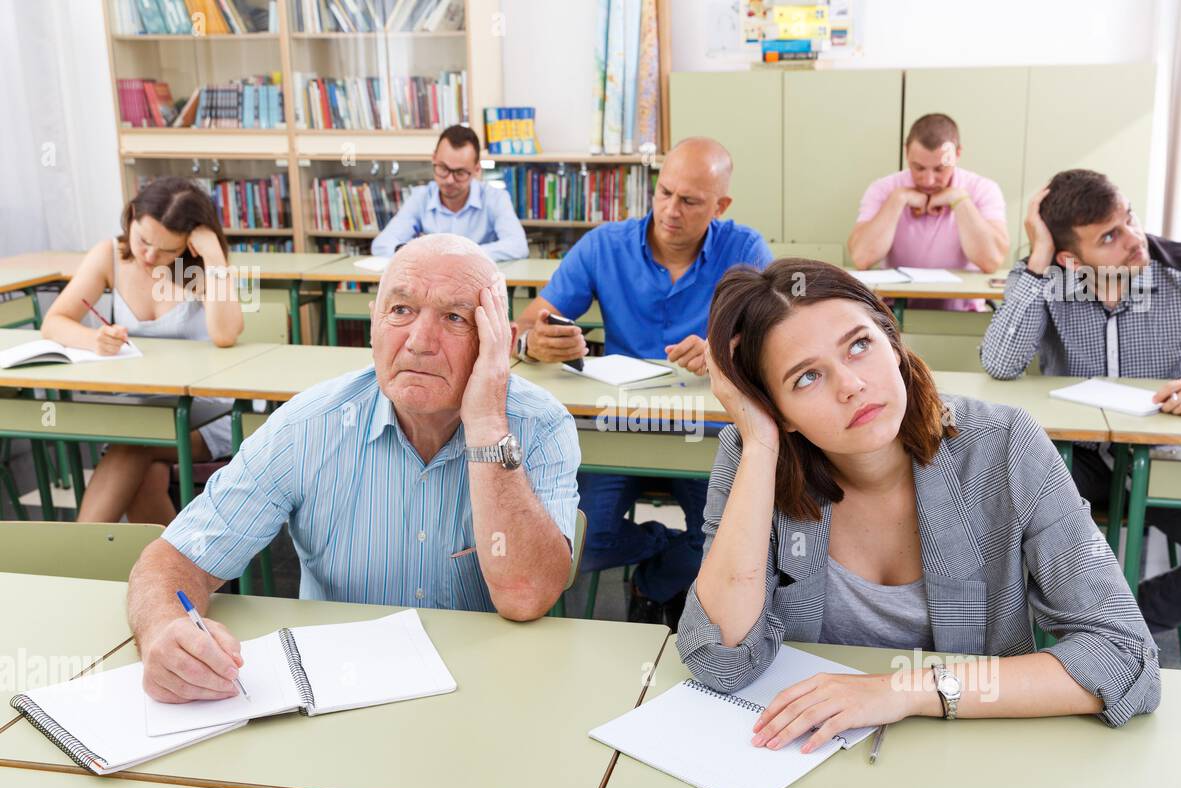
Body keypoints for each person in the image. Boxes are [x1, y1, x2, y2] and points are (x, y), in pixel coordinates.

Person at [677, 258, 1159, 749]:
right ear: (779, 413)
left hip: (971, 747)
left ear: (893, 339)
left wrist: (902, 691)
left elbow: (1122, 655)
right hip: (807, 753)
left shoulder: (1005, 445)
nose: (851, 385)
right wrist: (760, 440)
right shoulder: (754, 454)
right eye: (806, 378)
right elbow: (720, 660)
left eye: (859, 346)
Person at [127, 234, 580, 704]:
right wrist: (164, 629)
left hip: (489, 693)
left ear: (495, 341)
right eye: (401, 311)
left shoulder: (540, 427)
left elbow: (525, 596)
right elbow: (173, 559)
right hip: (338, 690)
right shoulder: (309, 426)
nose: (420, 342)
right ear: (372, 326)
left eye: (454, 318)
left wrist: (487, 424)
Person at [980, 168, 1181, 635]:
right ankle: (1018, 637)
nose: (1133, 239)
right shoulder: (1047, 277)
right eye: (1109, 236)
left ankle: (1121, 624)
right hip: (1072, 461)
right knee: (983, 525)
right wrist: (1039, 258)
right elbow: (1001, 363)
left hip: (1163, 456)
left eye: (1129, 218)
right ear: (1071, 258)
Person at [513, 137, 773, 627]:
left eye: (690, 201)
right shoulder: (604, 245)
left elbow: (778, 339)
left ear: (721, 206)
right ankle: (660, 545)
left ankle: (654, 585)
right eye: (664, 193)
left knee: (726, 541)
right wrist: (535, 343)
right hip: (613, 423)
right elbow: (528, 324)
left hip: (707, 426)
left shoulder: (745, 249)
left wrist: (727, 351)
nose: (670, 211)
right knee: (583, 542)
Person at [41, 177, 244, 525]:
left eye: (167, 249)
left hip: (207, 414)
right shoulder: (110, 255)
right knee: (146, 479)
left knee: (134, 444)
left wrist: (213, 255)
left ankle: (73, 559)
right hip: (138, 408)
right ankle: (179, 578)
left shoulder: (203, 267)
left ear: (191, 241)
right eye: (144, 240)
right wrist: (96, 340)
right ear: (132, 216)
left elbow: (225, 335)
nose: (150, 256)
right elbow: (54, 322)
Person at [848, 113, 1009, 312]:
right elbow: (862, 257)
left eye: (940, 169)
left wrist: (959, 200)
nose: (929, 180)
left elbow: (990, 261)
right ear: (907, 152)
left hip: (963, 313)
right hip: (894, 312)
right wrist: (898, 199)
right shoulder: (883, 189)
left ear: (958, 154)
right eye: (919, 168)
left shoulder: (983, 189)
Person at [371, 125, 528, 261]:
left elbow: (518, 245)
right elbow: (382, 244)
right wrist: (412, 253)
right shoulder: (421, 197)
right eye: (443, 169)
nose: (449, 180)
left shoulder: (495, 198)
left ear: (476, 170)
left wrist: (462, 256)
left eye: (460, 172)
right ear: (434, 159)